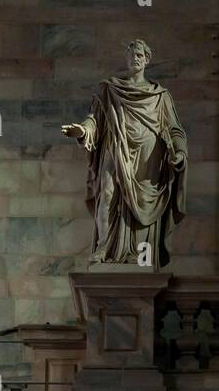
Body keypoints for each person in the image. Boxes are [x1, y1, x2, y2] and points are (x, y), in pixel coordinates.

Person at [61, 39, 187, 266]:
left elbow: (174, 129)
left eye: (140, 55)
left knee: (143, 202)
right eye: (131, 55)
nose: (135, 58)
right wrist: (83, 131)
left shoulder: (160, 96)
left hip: (150, 156)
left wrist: (179, 151)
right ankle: (104, 248)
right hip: (116, 146)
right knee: (107, 193)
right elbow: (95, 120)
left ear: (147, 60)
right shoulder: (110, 89)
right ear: (126, 59)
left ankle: (139, 256)